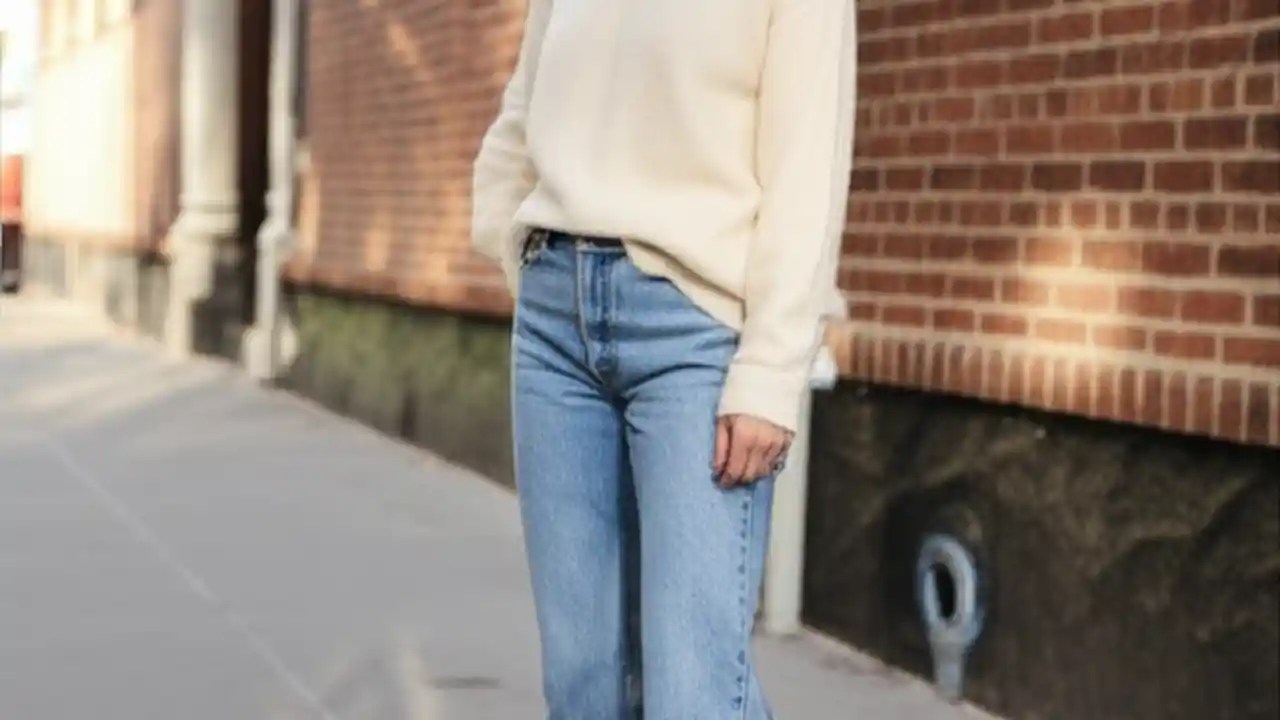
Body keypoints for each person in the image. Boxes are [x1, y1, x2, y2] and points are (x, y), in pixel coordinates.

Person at [471, 0, 855, 716]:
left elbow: (809, 157)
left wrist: (772, 370)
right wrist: (505, 232)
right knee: (582, 682)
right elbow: (528, 95)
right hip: (556, 317)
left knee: (694, 692)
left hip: (695, 328)